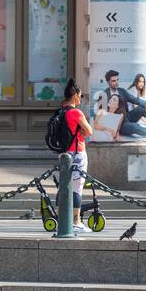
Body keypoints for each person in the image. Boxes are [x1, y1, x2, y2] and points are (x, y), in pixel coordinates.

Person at [59, 79, 92, 233]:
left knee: (64, 186)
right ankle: (76, 221)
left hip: (64, 154)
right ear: (75, 96)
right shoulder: (76, 113)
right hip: (77, 153)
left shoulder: (61, 111)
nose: (81, 99)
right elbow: (89, 131)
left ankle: (62, 219)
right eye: (80, 96)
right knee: (77, 188)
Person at [101, 69, 146, 139]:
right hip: (119, 125)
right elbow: (104, 117)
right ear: (108, 82)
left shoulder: (122, 91)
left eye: (117, 80)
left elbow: (134, 99)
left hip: (127, 116)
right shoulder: (104, 96)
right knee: (134, 126)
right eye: (113, 81)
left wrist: (145, 103)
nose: (116, 82)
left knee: (143, 108)